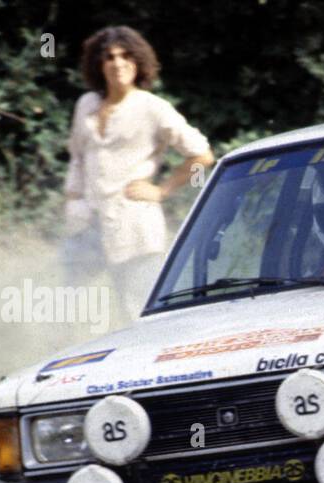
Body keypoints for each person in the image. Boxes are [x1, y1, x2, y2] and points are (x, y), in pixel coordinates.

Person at [62, 26, 214, 322]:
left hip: (135, 227)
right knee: (65, 305)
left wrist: (163, 190)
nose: (118, 64)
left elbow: (202, 156)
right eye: (109, 57)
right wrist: (72, 200)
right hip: (89, 223)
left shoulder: (152, 108)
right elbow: (77, 158)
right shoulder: (87, 105)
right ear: (98, 64)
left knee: (139, 312)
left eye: (126, 56)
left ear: (138, 61)